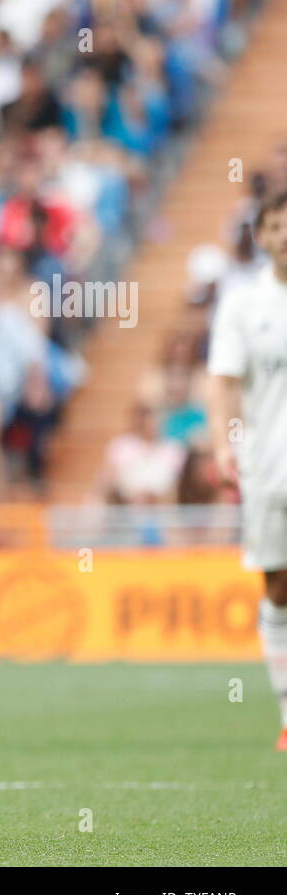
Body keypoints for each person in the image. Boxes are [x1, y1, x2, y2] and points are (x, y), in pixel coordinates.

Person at [207, 188, 287, 751]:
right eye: (276, 226)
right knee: (279, 586)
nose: (285, 236)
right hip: (271, 465)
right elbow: (224, 380)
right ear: (262, 236)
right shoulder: (243, 302)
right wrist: (223, 444)